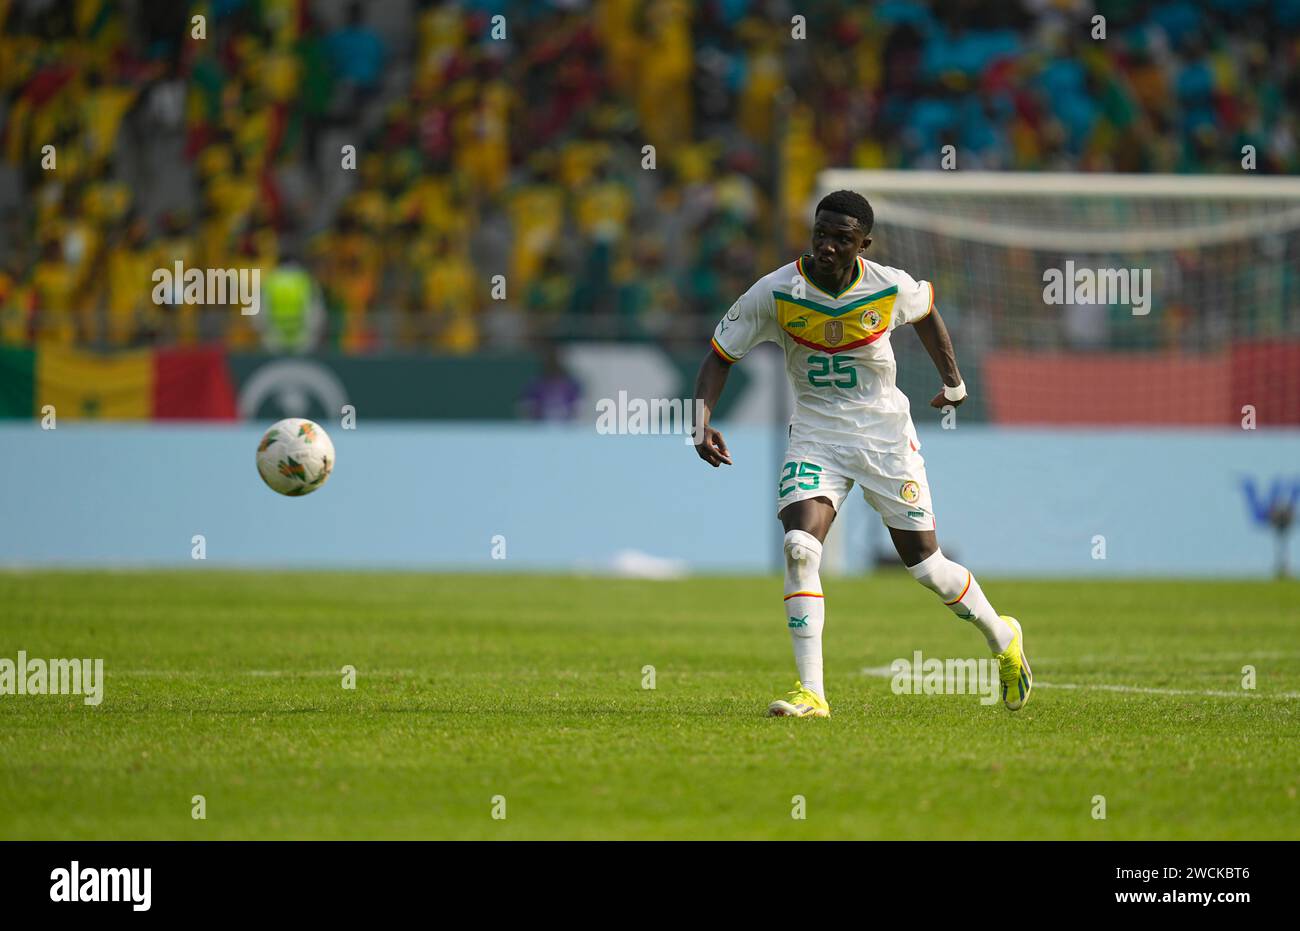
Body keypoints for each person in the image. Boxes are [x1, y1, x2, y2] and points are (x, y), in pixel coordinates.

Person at [691, 190, 1031, 717]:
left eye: (841, 239)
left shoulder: (888, 285)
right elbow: (719, 356)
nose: (827, 246)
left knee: (927, 567)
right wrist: (700, 423)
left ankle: (1002, 636)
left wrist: (954, 381)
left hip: (886, 441)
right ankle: (813, 694)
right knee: (801, 547)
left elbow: (925, 313)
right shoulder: (775, 291)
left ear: (862, 245)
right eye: (820, 234)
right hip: (816, 438)